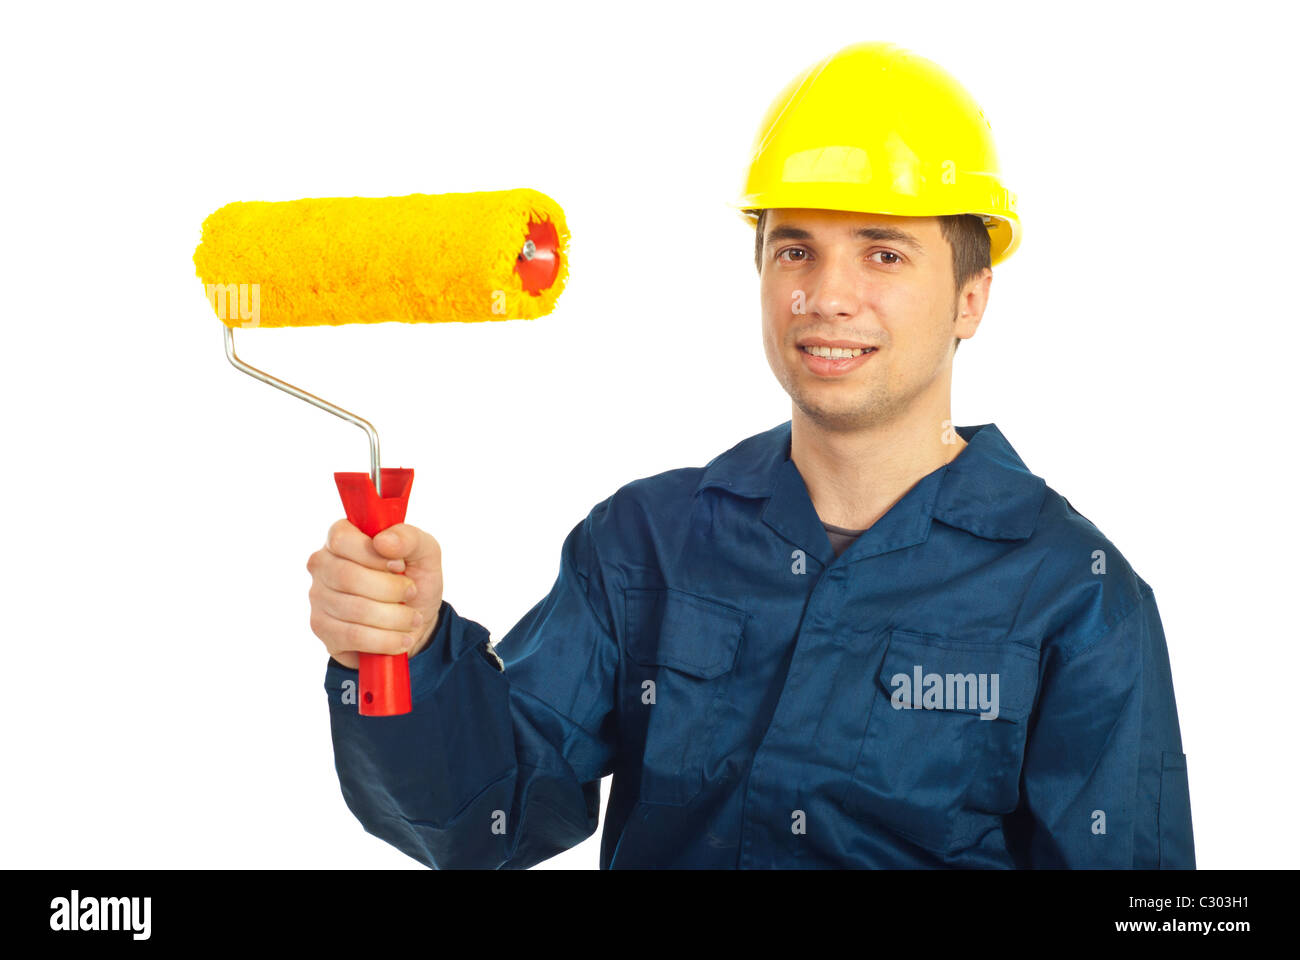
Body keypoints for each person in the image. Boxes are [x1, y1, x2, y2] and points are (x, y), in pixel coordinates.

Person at [308, 41, 1195, 868]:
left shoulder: (1076, 597)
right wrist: (403, 653)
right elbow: (483, 815)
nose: (826, 297)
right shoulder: (646, 543)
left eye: (884, 254)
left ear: (971, 297)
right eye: (795, 250)